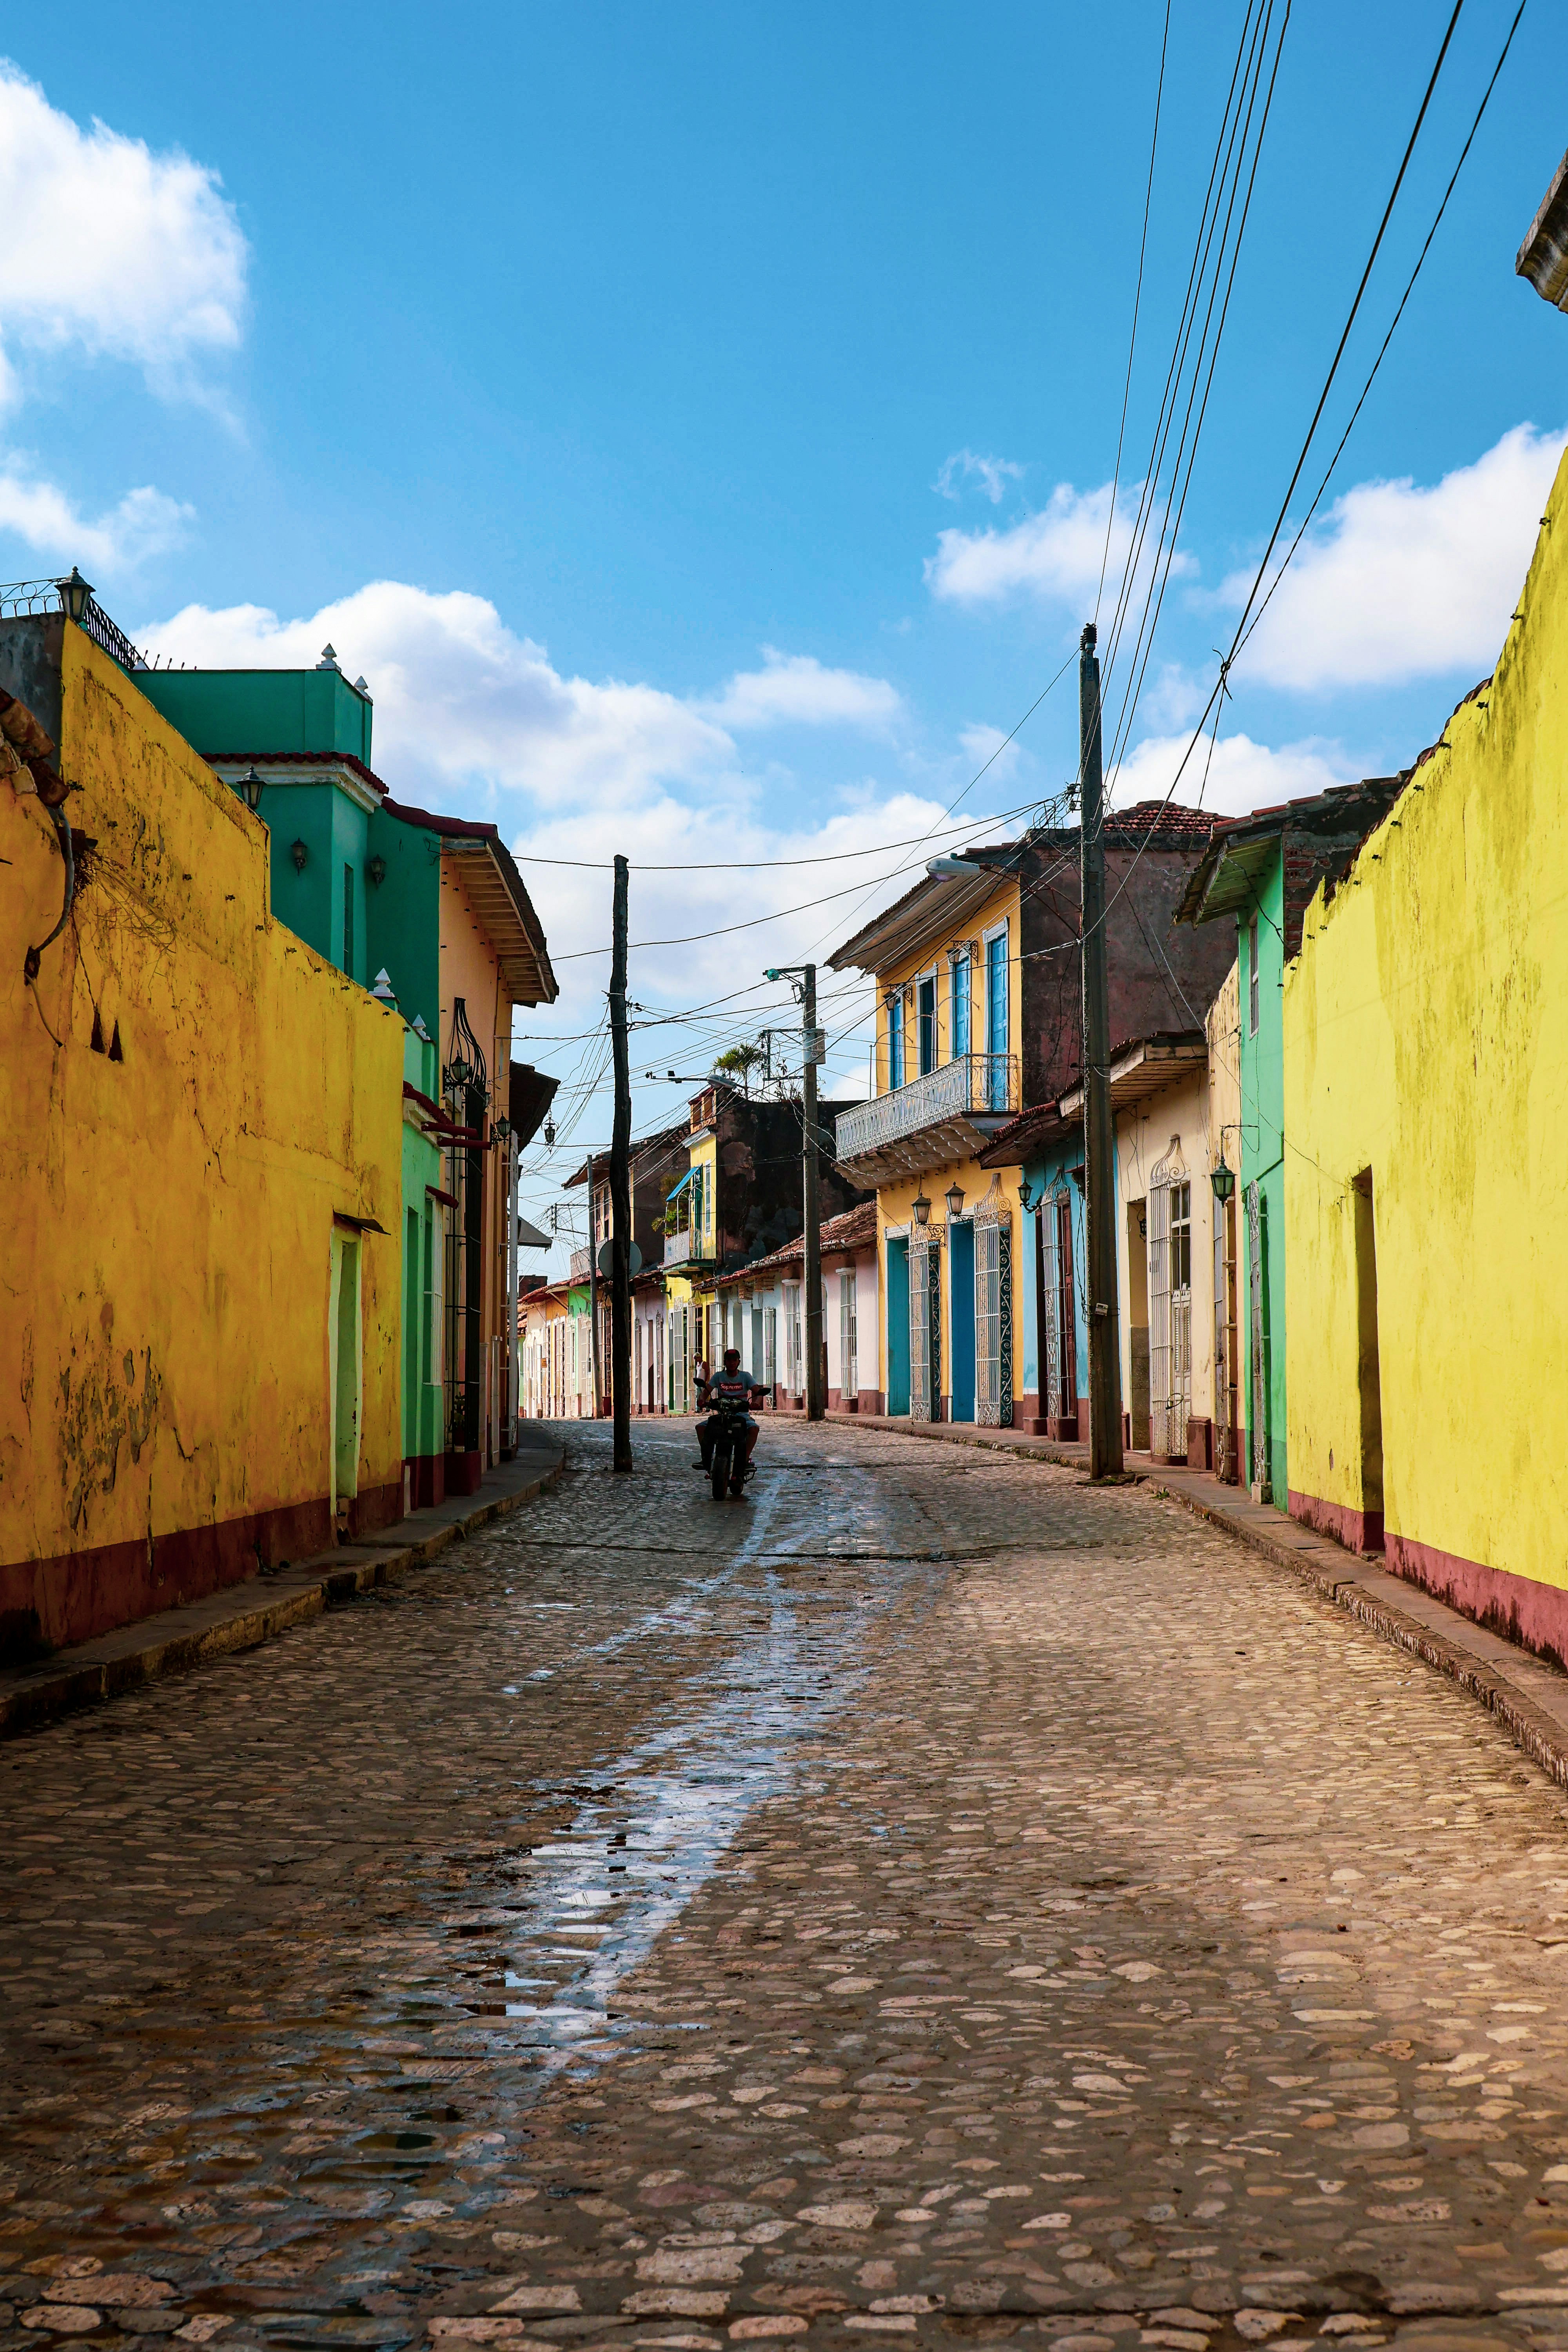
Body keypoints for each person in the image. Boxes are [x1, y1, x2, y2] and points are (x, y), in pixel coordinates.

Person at [696, 1347, 765, 1477]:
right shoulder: (718, 1377)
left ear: (739, 1362)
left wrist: (757, 1402)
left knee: (754, 1429)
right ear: (725, 1362)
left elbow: (758, 1393)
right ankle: (707, 1458)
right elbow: (706, 1392)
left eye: (734, 1360)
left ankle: (745, 1459)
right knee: (700, 1428)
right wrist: (702, 1400)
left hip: (742, 1416)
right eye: (729, 1361)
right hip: (723, 1415)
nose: (732, 1363)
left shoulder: (745, 1376)